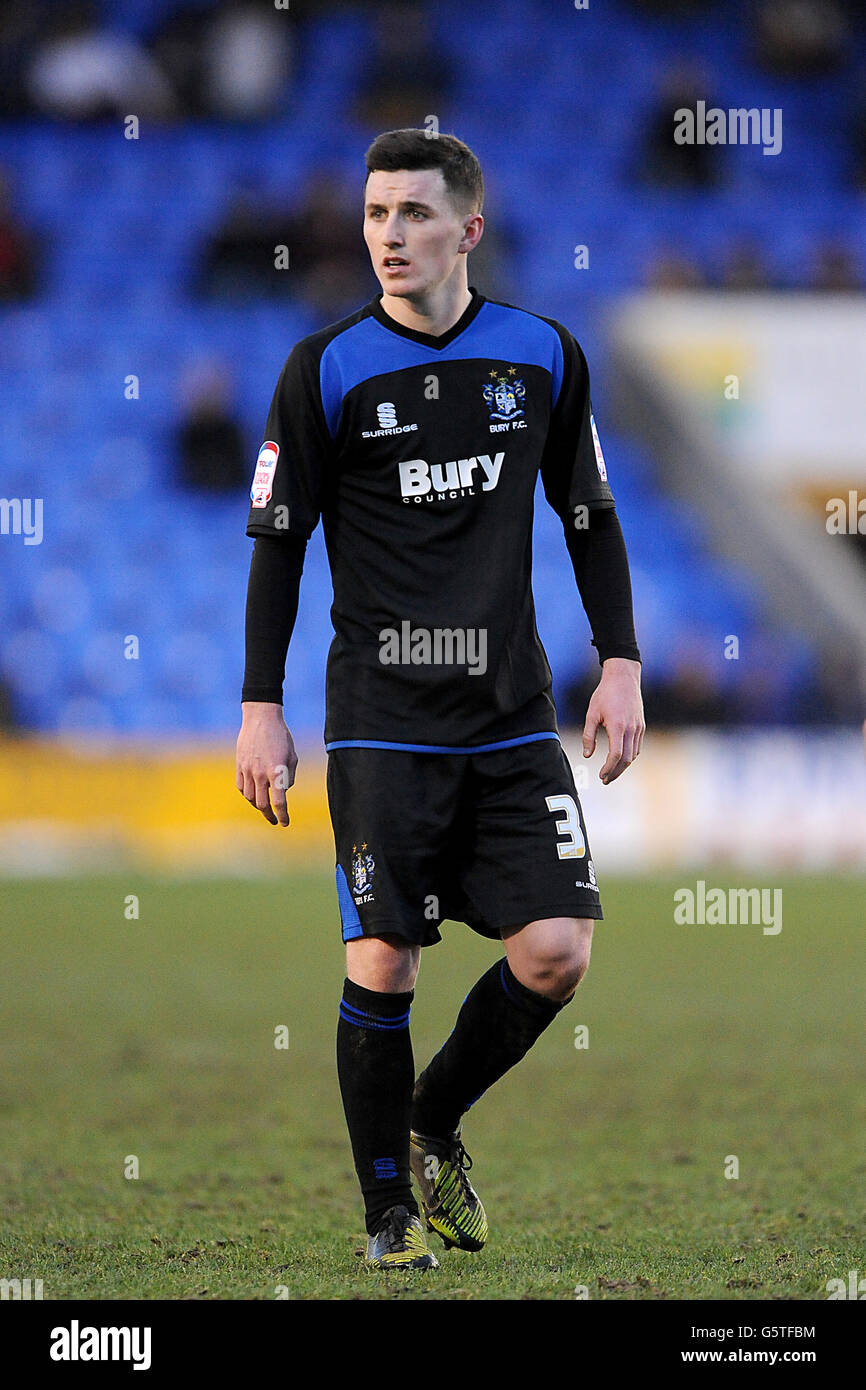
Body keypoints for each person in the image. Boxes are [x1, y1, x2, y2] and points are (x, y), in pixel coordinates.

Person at [236, 129, 644, 1271]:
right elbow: (276, 544)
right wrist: (257, 704)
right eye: (373, 215)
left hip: (511, 714)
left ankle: (431, 1119)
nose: (386, 236)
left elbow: (590, 516)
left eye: (411, 214)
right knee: (383, 960)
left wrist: (619, 659)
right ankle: (385, 1220)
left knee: (558, 949)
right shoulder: (323, 367)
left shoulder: (542, 355)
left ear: (467, 227)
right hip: (380, 719)